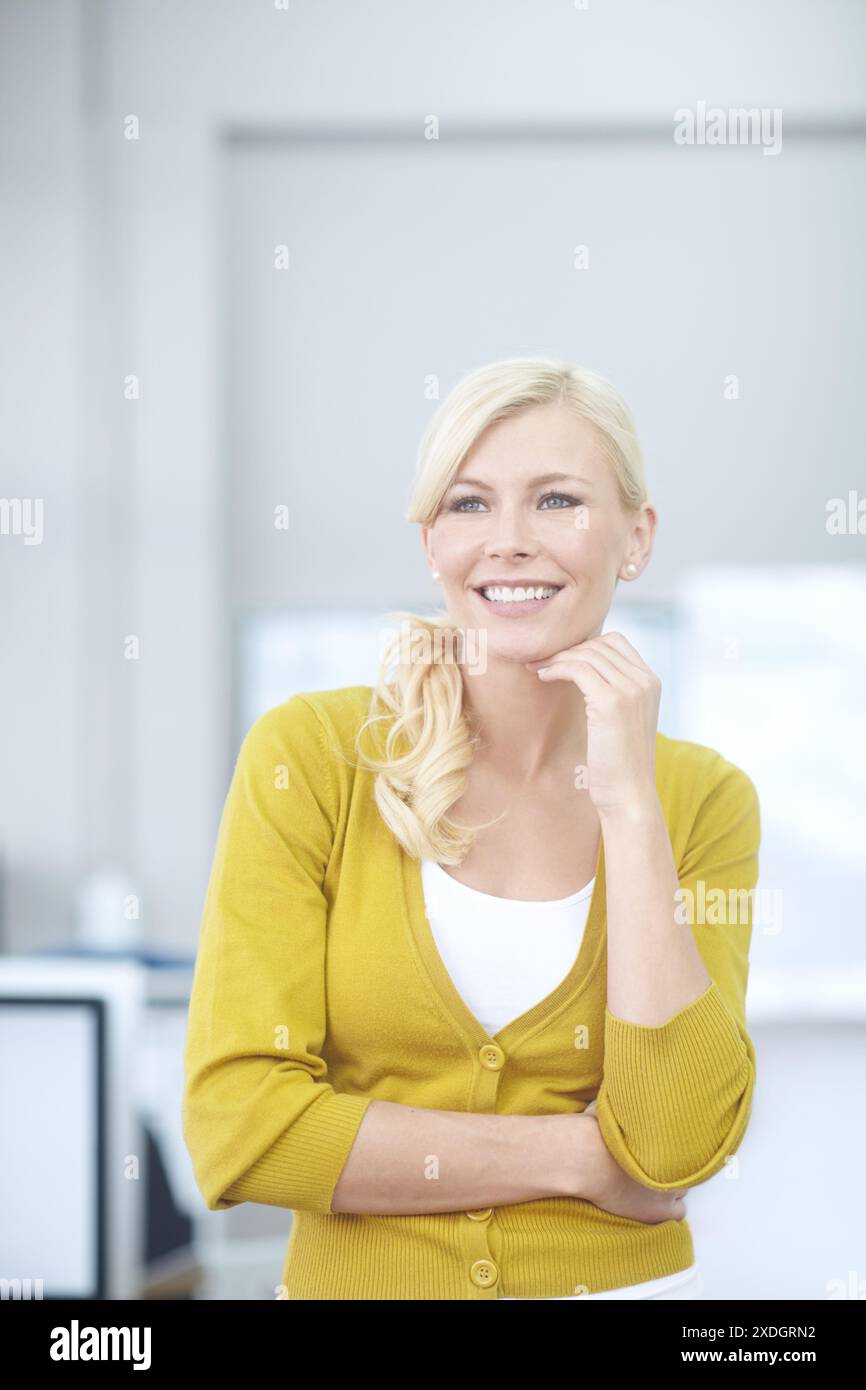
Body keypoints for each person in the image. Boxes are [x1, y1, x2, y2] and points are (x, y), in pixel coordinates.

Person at [183, 356, 759, 1300]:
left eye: (558, 500)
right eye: (469, 505)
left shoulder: (700, 799)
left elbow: (674, 1147)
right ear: (430, 543)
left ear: (636, 537)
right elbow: (242, 1130)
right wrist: (577, 1158)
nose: (510, 542)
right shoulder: (314, 756)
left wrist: (630, 809)